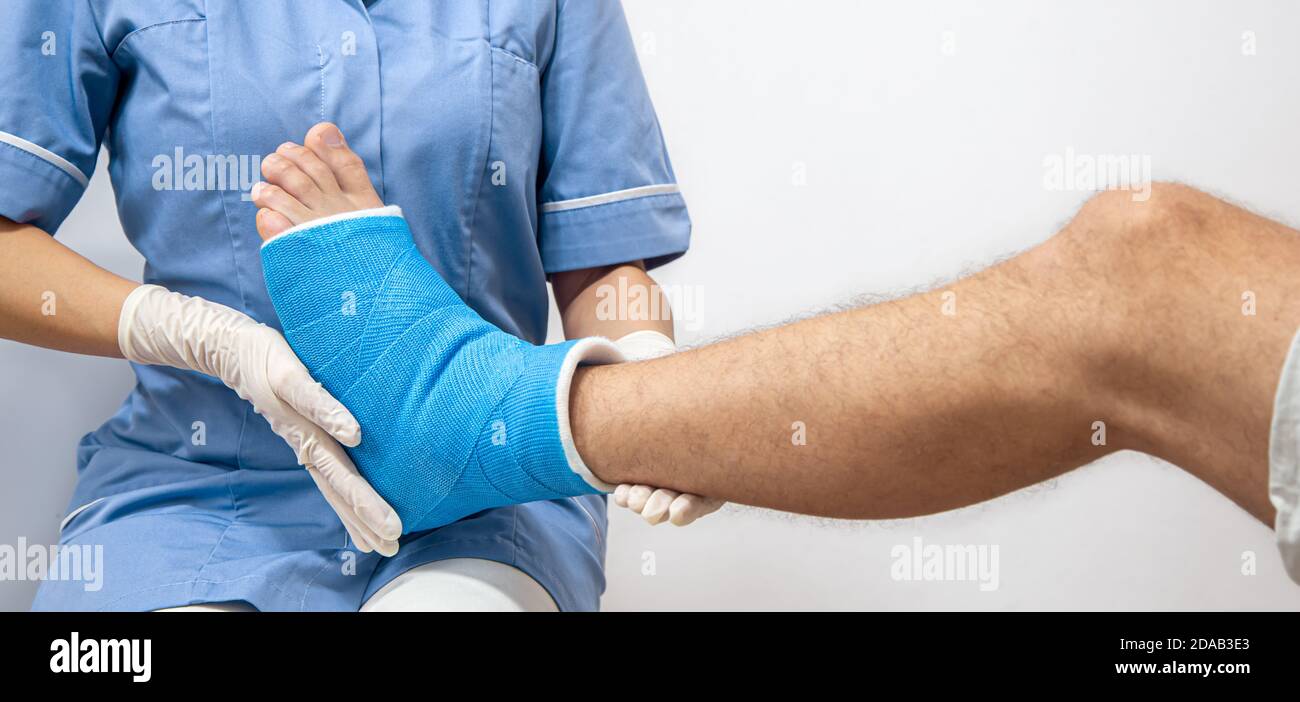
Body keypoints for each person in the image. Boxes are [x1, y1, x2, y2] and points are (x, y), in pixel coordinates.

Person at [252, 131, 1300, 584]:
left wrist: (645, 364)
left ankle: (460, 421)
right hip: (204, 491)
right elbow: (67, 261)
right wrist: (171, 325)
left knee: (1145, 279)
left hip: (489, 527)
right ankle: (469, 420)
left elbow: (601, 257)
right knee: (1146, 257)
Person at [1, 1, 714, 612]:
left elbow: (600, 265)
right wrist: (197, 334)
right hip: (194, 484)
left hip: (484, 482)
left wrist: (652, 395)